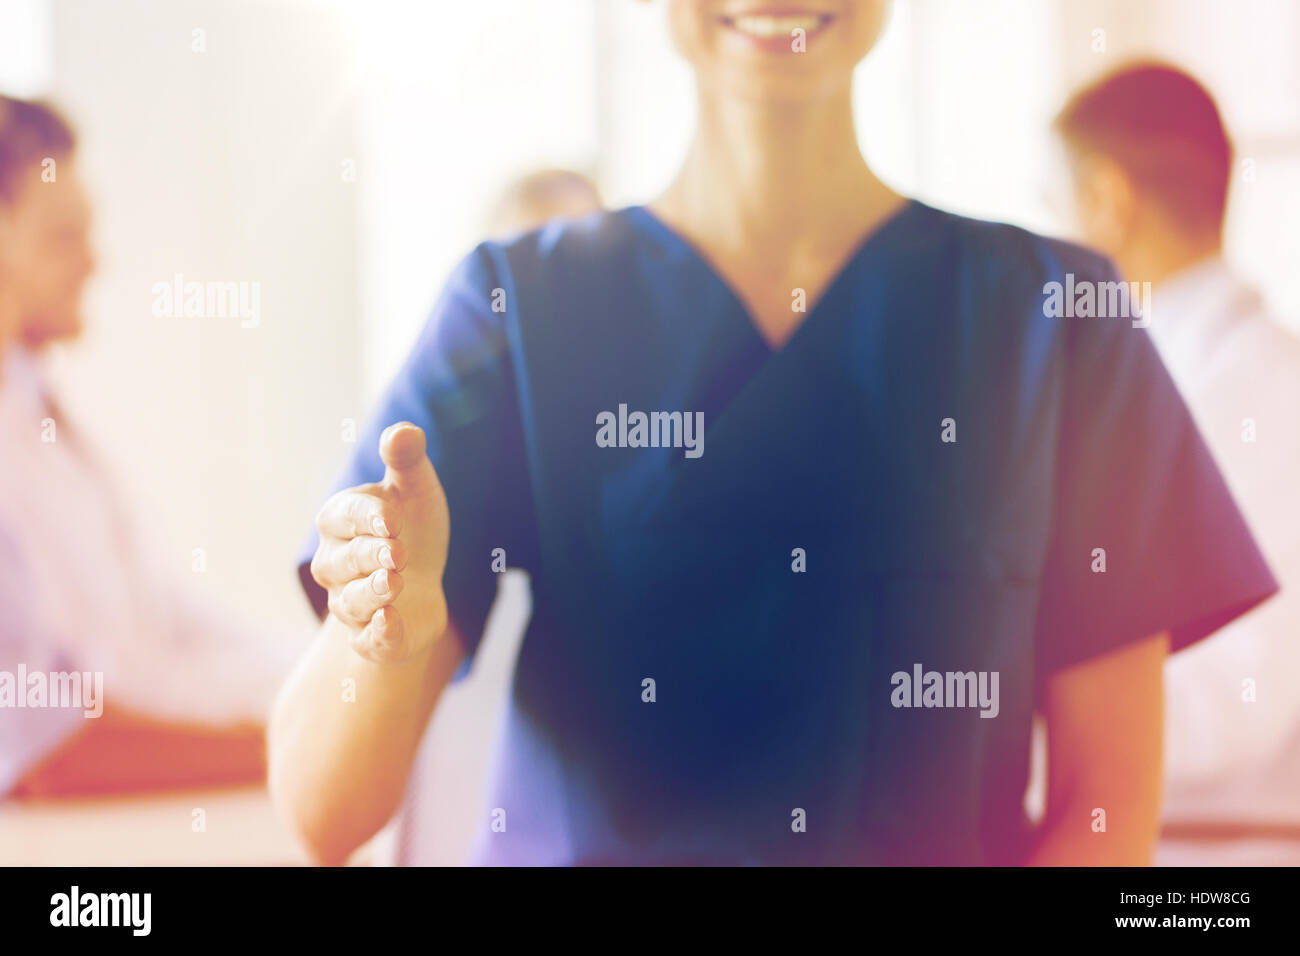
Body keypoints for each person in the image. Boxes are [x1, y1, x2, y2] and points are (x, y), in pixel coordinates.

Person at [270, 1, 1277, 866]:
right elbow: (325, 813)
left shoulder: (1059, 318)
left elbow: (1104, 813)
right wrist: (379, 641)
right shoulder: (518, 309)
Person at [0, 95, 295, 797]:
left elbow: (157, 628)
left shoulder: (36, 411)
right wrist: (296, 751)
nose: (93, 263)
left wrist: (322, 681)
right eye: (62, 237)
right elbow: (38, 748)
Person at [1055, 63, 1300, 822]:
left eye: (1047, 203)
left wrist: (1013, 723)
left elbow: (1243, 695)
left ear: (1106, 201)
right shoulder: (1176, 374)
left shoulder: (1258, 390)